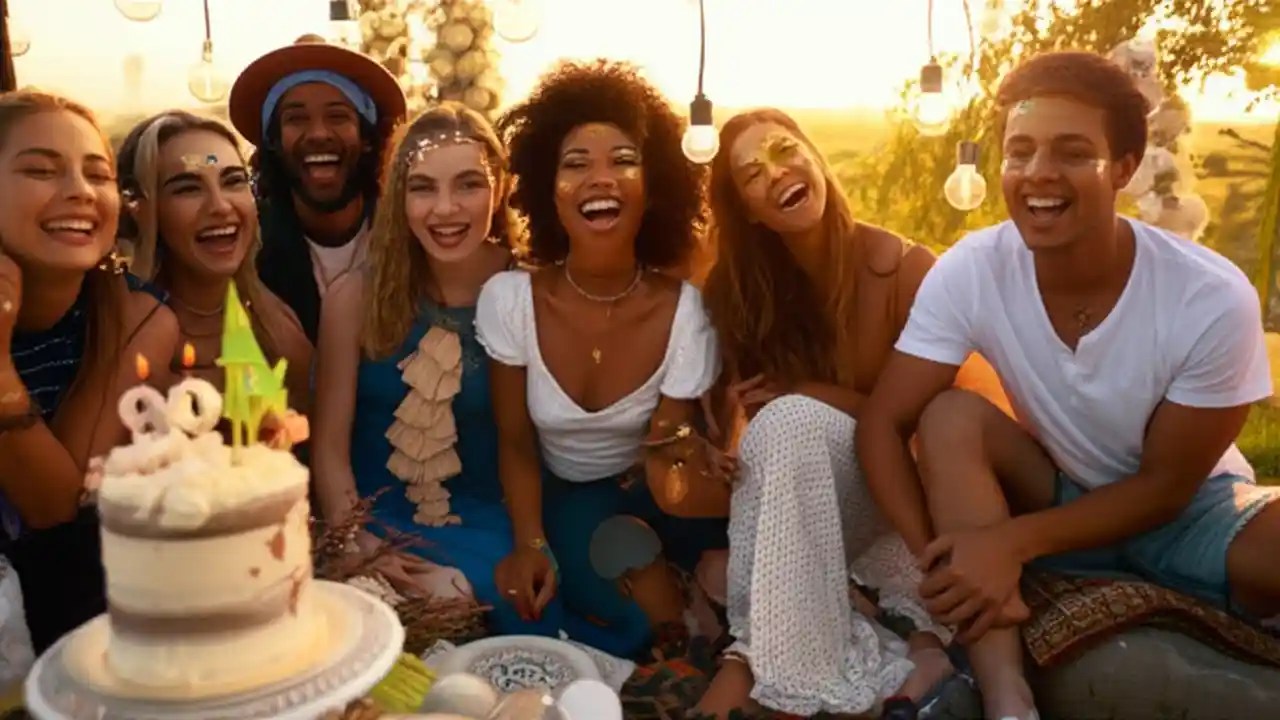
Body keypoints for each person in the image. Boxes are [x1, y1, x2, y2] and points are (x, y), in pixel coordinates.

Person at [858, 51, 1277, 720]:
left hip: (1196, 511)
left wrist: (1010, 545)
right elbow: (884, 423)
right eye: (1019, 151)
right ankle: (1005, 696)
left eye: (1072, 152)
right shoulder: (974, 269)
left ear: (1124, 169)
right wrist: (945, 563)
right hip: (1055, 485)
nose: (1038, 174)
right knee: (949, 417)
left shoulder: (1209, 296)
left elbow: (1167, 488)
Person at [695, 108, 1008, 719]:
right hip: (807, 500)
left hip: (912, 501)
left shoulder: (906, 270)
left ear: (815, 156)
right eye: (752, 175)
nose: (777, 173)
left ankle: (777, 679)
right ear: (749, 210)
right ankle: (798, 660)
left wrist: (806, 395)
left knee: (790, 421)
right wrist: (728, 438)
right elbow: (743, 420)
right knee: (781, 431)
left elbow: (946, 423)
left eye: (786, 150)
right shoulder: (739, 292)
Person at [478, 60, 731, 659]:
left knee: (701, 567)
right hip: (568, 497)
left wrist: (720, 469)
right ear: (545, 189)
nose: (601, 179)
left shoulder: (685, 313)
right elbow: (514, 441)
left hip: (657, 488)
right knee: (627, 611)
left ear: (655, 186)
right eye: (575, 165)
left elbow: (666, 454)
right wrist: (531, 543)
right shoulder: (512, 300)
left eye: (623, 161)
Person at [312, 102, 543, 626]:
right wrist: (357, 544)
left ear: (501, 188)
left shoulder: (530, 291)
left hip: (495, 523)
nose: (445, 209)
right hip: (372, 520)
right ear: (398, 196)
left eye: (468, 185)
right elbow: (329, 448)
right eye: (422, 188)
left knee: (476, 598)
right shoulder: (354, 298)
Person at [0, 90, 179, 650]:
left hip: (64, 626)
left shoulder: (135, 315)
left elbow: (55, 506)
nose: (79, 191)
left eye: (96, 175)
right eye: (40, 170)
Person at [115, 111, 312, 408]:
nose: (220, 206)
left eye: (233, 181)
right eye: (188, 188)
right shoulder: (117, 328)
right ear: (140, 208)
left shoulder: (276, 324)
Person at [228, 37, 407, 343]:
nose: (319, 134)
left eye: (338, 116)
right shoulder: (245, 252)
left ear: (367, 138)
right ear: (274, 142)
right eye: (296, 119)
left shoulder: (410, 236)